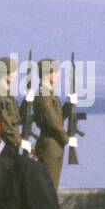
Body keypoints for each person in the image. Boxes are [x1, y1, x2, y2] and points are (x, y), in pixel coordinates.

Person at [32, 58, 68, 190]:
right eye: (57, 73)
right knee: (48, 187)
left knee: (52, 186)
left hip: (55, 143)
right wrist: (66, 138)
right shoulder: (44, 94)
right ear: (50, 73)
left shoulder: (48, 92)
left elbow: (57, 118)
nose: (58, 76)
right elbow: (53, 122)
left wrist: (69, 105)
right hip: (50, 143)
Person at [0, 55, 23, 151]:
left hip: (10, 141)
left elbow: (17, 117)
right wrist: (18, 140)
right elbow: (4, 122)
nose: (16, 75)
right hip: (4, 142)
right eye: (14, 72)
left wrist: (26, 102)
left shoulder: (6, 91)